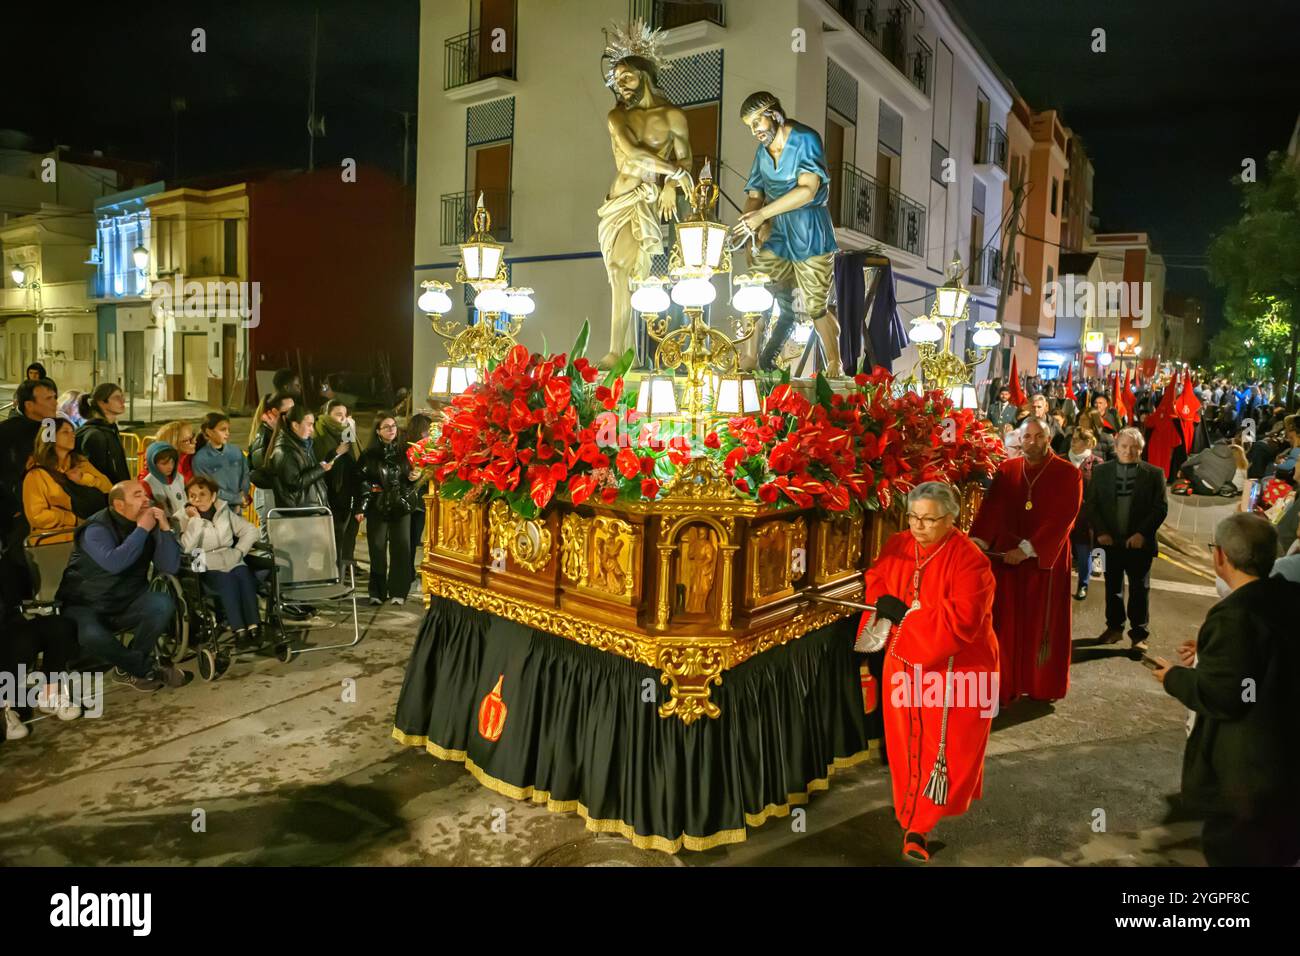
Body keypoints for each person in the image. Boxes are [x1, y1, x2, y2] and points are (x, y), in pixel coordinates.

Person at [857, 482, 998, 863]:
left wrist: (908, 617)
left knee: (946, 749)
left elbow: (963, 619)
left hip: (956, 670)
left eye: (929, 519)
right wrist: (881, 602)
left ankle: (920, 824)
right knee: (905, 743)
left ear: (951, 519)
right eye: (913, 517)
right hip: (904, 660)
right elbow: (880, 580)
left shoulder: (971, 561)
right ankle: (911, 812)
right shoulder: (899, 544)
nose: (918, 527)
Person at [1152, 514, 1300, 866]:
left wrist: (1173, 676)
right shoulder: (1288, 597)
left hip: (1247, 775)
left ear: (1220, 557)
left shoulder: (1234, 614)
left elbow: (1223, 694)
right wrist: (1207, 651)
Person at [968, 418, 1082, 706]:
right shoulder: (1007, 470)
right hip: (1007, 560)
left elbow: (1063, 517)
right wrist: (978, 543)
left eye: (1038, 436)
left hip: (1043, 562)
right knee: (1005, 625)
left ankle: (1039, 684)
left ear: (1049, 439)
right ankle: (1005, 683)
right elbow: (992, 510)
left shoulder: (1068, 473)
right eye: (1027, 436)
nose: (1032, 441)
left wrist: (1029, 548)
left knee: (1039, 626)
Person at [597, 26, 691, 367]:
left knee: (626, 273)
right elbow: (634, 155)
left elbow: (687, 158)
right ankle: (622, 351)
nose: (620, 86)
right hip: (617, 201)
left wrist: (670, 184)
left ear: (645, 77)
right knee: (618, 271)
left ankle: (622, 351)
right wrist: (674, 172)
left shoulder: (673, 117)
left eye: (627, 79)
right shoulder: (617, 116)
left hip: (646, 200)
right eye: (617, 81)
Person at [732, 91, 840, 373]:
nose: (755, 130)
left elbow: (807, 189)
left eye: (758, 121)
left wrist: (763, 215)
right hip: (777, 233)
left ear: (775, 114)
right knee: (755, 286)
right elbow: (755, 193)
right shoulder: (762, 152)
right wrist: (748, 224)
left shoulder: (806, 139)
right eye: (750, 126)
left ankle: (834, 362)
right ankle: (750, 358)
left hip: (809, 230)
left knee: (816, 305)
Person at [55, 481, 190, 691]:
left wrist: (164, 529)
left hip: (127, 601)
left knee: (162, 603)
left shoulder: (148, 525)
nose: (146, 499)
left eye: (145, 495)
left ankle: (126, 669)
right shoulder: (96, 529)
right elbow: (114, 563)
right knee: (92, 635)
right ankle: (146, 668)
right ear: (119, 505)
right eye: (138, 495)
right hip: (85, 604)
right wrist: (142, 529)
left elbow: (169, 567)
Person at [1086, 428, 1169, 653]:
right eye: (1124, 447)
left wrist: (1142, 533)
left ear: (1141, 449)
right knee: (1112, 588)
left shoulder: (1154, 474)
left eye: (1134, 447)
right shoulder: (1101, 471)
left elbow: (1160, 508)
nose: (1128, 451)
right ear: (1116, 447)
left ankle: (1139, 634)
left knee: (1140, 589)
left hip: (1139, 543)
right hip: (1109, 543)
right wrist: (1101, 531)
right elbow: (1091, 504)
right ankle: (1113, 628)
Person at [180, 475, 263, 647]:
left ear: (213, 496)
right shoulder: (183, 517)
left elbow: (250, 530)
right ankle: (238, 629)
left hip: (229, 555)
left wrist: (239, 550)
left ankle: (254, 625)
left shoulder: (224, 511)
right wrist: (195, 521)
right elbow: (187, 548)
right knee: (227, 581)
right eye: (192, 495)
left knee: (243, 574)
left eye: (202, 494)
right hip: (201, 559)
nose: (197, 499)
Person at [23, 416, 111, 544]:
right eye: (65, 432)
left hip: (89, 535)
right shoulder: (36, 474)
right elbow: (37, 516)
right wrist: (72, 519)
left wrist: (84, 479)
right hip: (55, 541)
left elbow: (108, 488)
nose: (72, 435)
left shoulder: (80, 462)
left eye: (73, 431)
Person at [359, 412, 417, 604]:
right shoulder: (369, 455)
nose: (392, 429)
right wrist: (362, 507)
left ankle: (398, 592)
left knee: (401, 548)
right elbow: (363, 482)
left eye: (393, 426)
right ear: (378, 431)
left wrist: (415, 475)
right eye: (386, 426)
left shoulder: (405, 451)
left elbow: (412, 476)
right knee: (377, 548)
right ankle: (377, 592)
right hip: (378, 505)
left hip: (401, 505)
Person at [312, 400, 361, 572]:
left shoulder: (345, 432)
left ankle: (343, 566)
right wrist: (335, 453)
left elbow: (353, 457)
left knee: (345, 532)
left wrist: (351, 431)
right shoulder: (319, 433)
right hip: (327, 489)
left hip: (345, 490)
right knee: (330, 534)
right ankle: (330, 569)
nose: (342, 419)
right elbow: (317, 461)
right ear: (327, 414)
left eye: (345, 415)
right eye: (338, 414)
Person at [267, 404, 332, 510]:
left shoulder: (305, 445)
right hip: (298, 513)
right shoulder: (284, 452)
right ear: (295, 425)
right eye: (309, 425)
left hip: (310, 510)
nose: (312, 430)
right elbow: (293, 484)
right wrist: (320, 469)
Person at [248, 390, 295, 529]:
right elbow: (261, 474)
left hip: (279, 495)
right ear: (274, 412)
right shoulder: (264, 436)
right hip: (270, 497)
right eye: (288, 412)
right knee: (271, 543)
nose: (293, 416)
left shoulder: (281, 432)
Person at [1067, 429, 1104, 600]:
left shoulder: (1096, 464)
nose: (1073, 443)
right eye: (1072, 439)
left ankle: (1083, 585)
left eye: (1076, 440)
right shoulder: (1062, 459)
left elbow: (1100, 494)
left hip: (1084, 518)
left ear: (1087, 443)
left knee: (1084, 553)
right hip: (1063, 516)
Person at [191, 412, 249, 510]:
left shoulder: (236, 451)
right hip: (216, 509)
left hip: (238, 508)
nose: (227, 433)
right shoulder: (200, 459)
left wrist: (244, 494)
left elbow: (245, 474)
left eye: (228, 429)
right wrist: (236, 498)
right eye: (223, 430)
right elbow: (207, 488)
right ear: (209, 432)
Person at [75, 383, 130, 484]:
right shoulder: (95, 436)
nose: (123, 401)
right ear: (101, 402)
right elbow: (96, 475)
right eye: (117, 397)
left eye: (122, 396)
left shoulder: (111, 429)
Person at [404, 413, 433, 568]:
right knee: (409, 539)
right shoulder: (410, 450)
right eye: (428, 430)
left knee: (413, 538)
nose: (430, 434)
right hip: (411, 501)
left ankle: (408, 570)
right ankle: (406, 570)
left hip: (419, 502)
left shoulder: (428, 450)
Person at [138, 441, 188, 524]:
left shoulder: (179, 478)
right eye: (164, 463)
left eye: (172, 462)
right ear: (153, 464)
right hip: (165, 526)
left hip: (185, 522)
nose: (170, 467)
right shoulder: (146, 483)